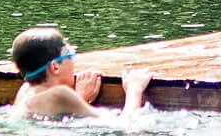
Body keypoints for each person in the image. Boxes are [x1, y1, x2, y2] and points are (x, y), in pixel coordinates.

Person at [8, 25, 151, 120]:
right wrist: (134, 89)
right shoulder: (61, 94)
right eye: (69, 55)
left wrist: (80, 100)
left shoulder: (24, 91)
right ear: (55, 67)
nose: (73, 61)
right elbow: (125, 123)